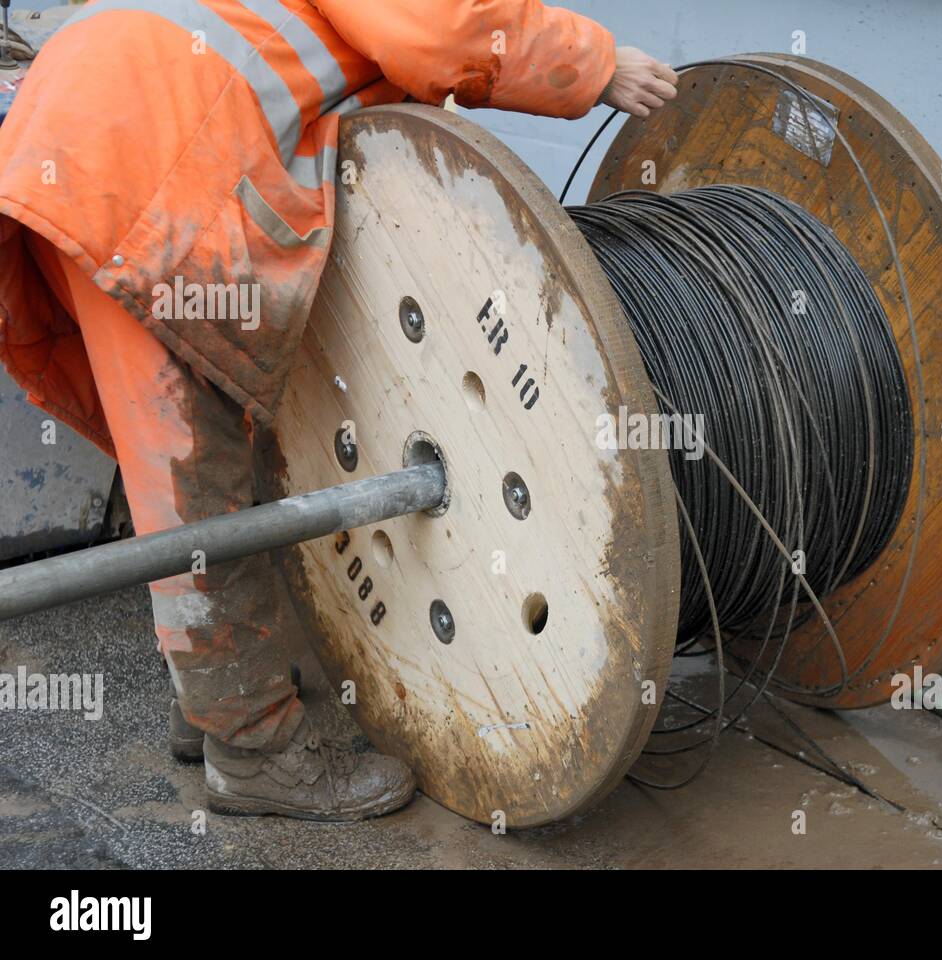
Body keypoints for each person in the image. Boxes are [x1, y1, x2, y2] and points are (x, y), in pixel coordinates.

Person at [0, 0, 677, 821]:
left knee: (190, 456)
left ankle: (216, 699)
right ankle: (253, 752)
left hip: (86, 134)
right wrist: (595, 65)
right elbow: (445, 28)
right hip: (149, 159)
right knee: (191, 477)